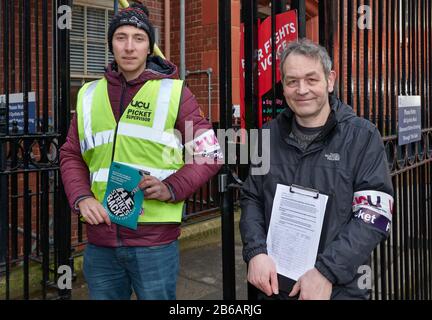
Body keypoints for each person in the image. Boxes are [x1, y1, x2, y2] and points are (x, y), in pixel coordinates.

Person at [60, 3, 222, 300]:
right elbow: (71, 154)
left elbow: (210, 154)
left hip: (154, 244)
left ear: (149, 46)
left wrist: (172, 187)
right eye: (121, 37)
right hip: (100, 242)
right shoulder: (88, 94)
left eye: (139, 38)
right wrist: (81, 198)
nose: (129, 47)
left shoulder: (174, 93)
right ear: (111, 43)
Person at [239, 38, 393, 300]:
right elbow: (252, 197)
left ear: (329, 80)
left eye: (311, 79)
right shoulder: (267, 135)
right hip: (273, 285)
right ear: (283, 86)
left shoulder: (363, 137)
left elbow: (374, 215)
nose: (302, 90)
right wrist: (255, 252)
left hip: (336, 288)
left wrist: (326, 272)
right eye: (292, 81)